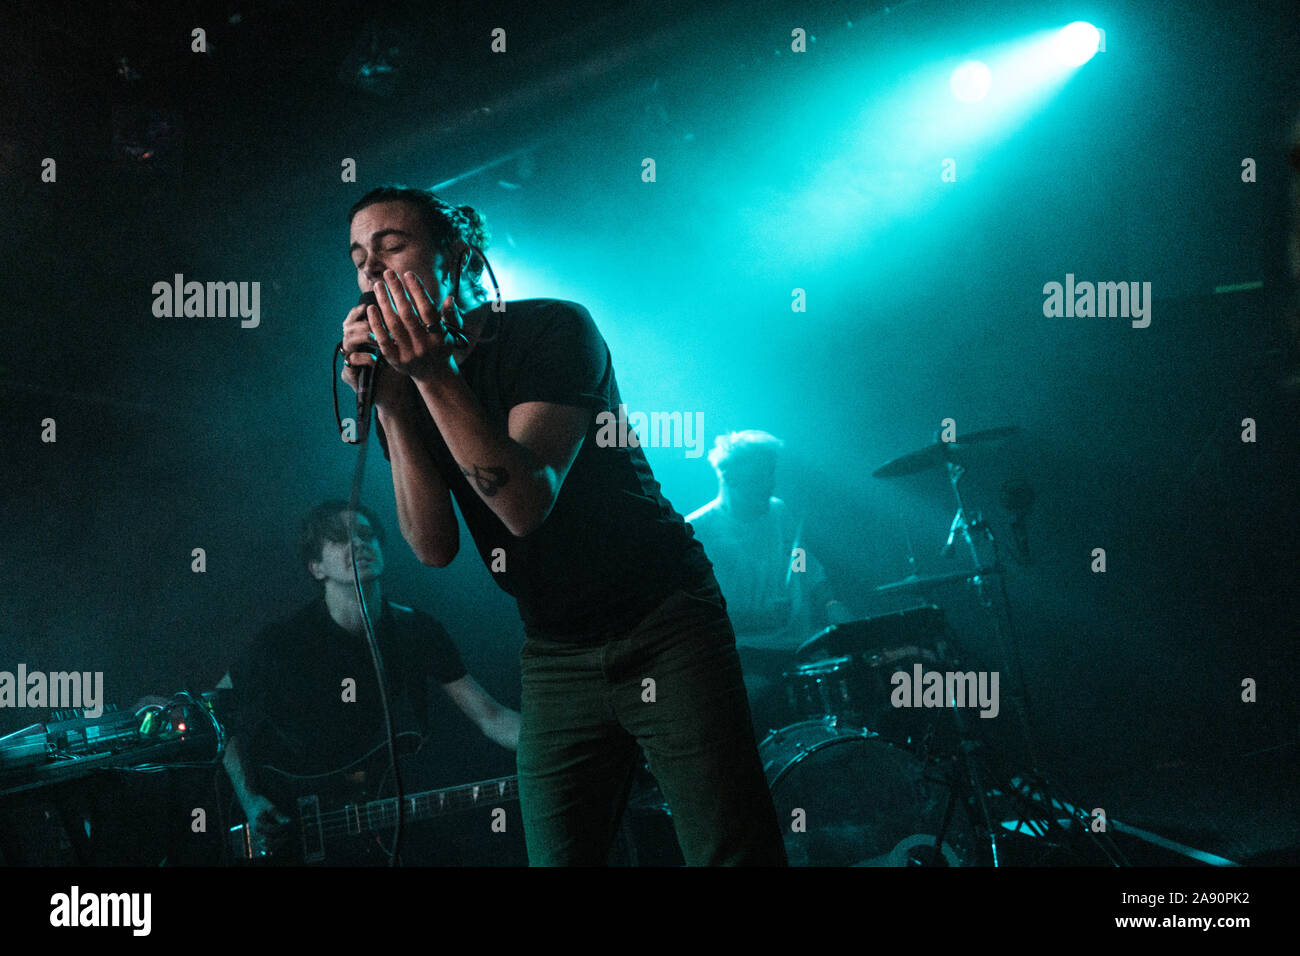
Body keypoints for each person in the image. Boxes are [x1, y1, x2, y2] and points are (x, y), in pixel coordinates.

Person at [339, 184, 786, 866]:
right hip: (555, 650)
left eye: (392, 246)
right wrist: (396, 406)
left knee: (730, 850)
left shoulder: (553, 330)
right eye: (358, 256)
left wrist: (430, 377)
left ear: (455, 257)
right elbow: (432, 548)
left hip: (664, 622)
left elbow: (526, 504)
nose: (370, 269)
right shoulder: (417, 384)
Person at [218, 500, 520, 864]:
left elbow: (490, 716)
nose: (359, 544)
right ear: (316, 567)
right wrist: (251, 800)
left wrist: (560, 744)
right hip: (294, 825)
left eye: (366, 535)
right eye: (340, 539)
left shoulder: (416, 630)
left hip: (381, 828)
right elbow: (215, 712)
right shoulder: (283, 641)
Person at [685, 431, 853, 736]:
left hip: (801, 648)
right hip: (744, 657)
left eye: (770, 474)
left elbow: (802, 564)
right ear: (729, 478)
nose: (770, 484)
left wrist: (830, 603)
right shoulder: (697, 531)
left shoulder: (779, 513)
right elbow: (692, 616)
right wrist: (754, 619)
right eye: (759, 478)